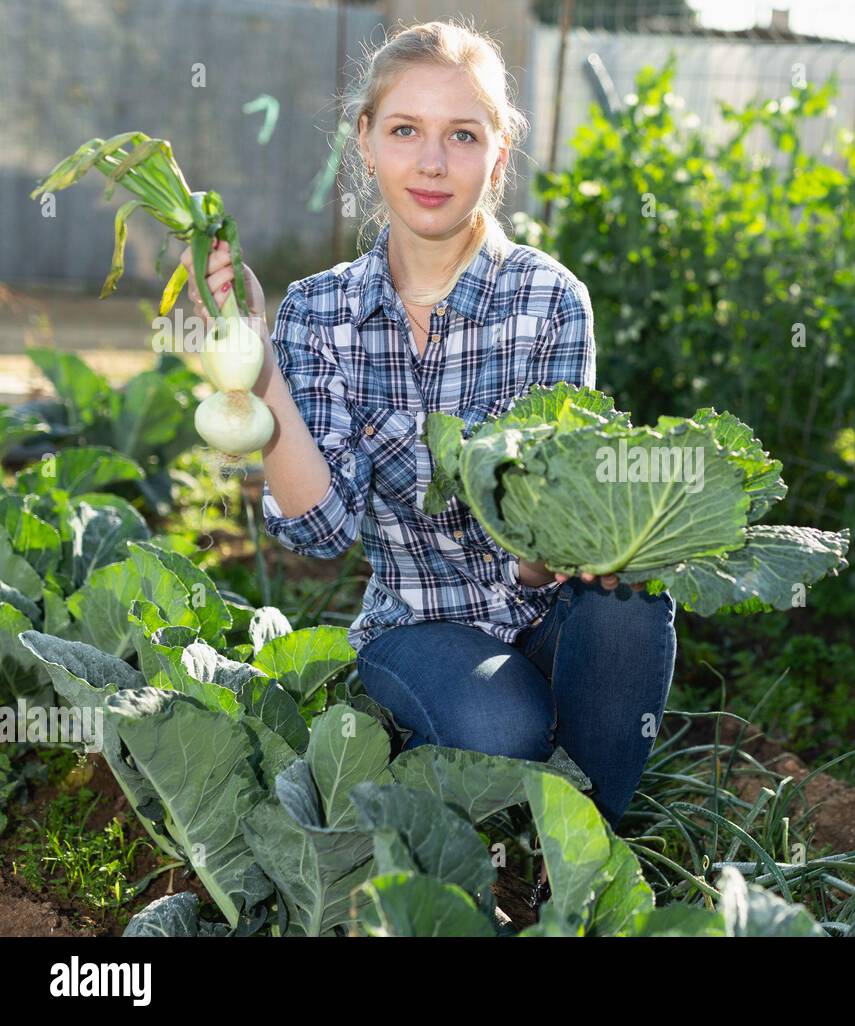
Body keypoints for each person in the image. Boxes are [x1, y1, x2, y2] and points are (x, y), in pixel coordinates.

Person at [180, 21, 677, 867]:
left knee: (631, 604)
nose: (433, 162)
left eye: (463, 135)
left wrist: (563, 555)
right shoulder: (318, 311)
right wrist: (261, 377)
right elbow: (321, 531)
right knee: (501, 722)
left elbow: (556, 516)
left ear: (500, 149)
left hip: (540, 609)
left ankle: (572, 876)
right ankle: (483, 799)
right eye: (405, 130)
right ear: (365, 140)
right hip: (419, 624)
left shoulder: (551, 300)